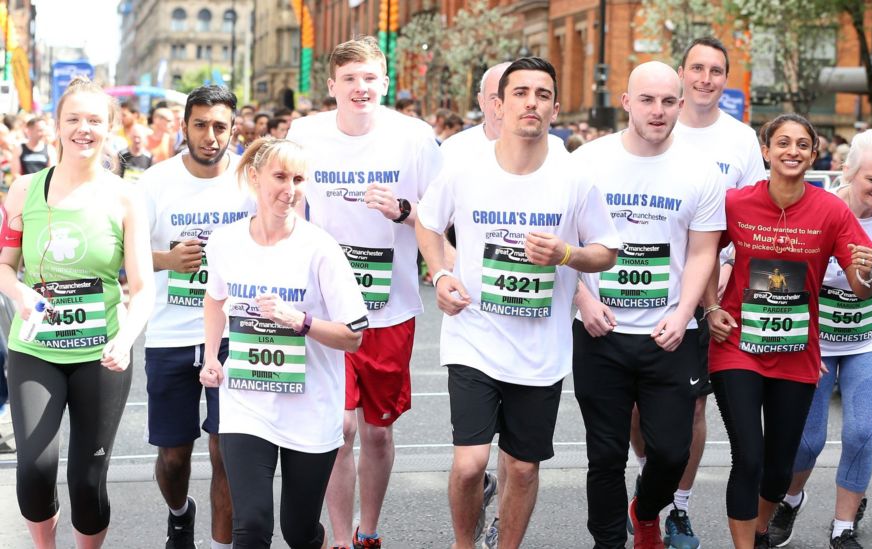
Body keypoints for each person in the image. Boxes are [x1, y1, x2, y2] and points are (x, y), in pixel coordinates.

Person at [416, 56, 619, 549]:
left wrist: (565, 254)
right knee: (469, 465)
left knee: (524, 468)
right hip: (474, 335)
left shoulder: (574, 177)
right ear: (499, 105)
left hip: (539, 349)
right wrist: (441, 273)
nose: (532, 102)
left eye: (543, 94)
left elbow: (607, 251)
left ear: (553, 109)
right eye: (521, 93)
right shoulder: (465, 168)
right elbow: (427, 221)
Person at [287, 35, 443, 549]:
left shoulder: (415, 138)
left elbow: (443, 219)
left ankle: (368, 531)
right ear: (331, 85)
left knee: (375, 432)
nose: (360, 88)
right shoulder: (304, 134)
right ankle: (337, 539)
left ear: (385, 83)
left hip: (389, 308)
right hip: (326, 307)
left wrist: (403, 210)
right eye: (349, 79)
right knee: (340, 431)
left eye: (370, 78)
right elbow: (287, 210)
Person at [619, 37, 768, 549]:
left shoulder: (742, 139)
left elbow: (758, 212)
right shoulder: (655, 123)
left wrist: (730, 266)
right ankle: (651, 486)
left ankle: (677, 508)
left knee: (695, 407)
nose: (707, 78)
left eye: (717, 70)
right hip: (650, 289)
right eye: (697, 69)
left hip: (718, 288)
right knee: (640, 410)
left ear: (725, 78)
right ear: (679, 77)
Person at [703, 113, 872, 549]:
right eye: (782, 143)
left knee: (779, 467)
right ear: (766, 151)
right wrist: (709, 307)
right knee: (749, 455)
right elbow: (703, 252)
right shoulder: (737, 203)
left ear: (814, 155)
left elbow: (860, 283)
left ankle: (760, 532)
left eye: (802, 145)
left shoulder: (831, 209)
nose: (792, 151)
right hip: (738, 345)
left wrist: (864, 273)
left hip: (797, 351)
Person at [571, 61, 724, 549]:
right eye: (647, 100)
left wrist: (683, 315)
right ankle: (610, 541)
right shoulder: (587, 161)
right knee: (605, 454)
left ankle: (646, 507)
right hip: (600, 330)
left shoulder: (700, 171)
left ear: (680, 104)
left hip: (670, 333)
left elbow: (703, 251)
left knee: (671, 451)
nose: (657, 111)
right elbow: (562, 242)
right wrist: (581, 300)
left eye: (667, 101)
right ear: (626, 102)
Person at [0, 76, 154, 548]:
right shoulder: (23, 190)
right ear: (56, 125)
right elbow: (4, 267)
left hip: (100, 354)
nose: (82, 129)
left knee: (88, 481)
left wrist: (124, 340)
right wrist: (19, 294)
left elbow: (143, 287)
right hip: (35, 347)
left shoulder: (126, 196)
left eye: (93, 120)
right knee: (35, 469)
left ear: (110, 128)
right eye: (73, 119)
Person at [199, 137, 369, 549]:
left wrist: (302, 321)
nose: (289, 189)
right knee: (252, 524)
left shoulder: (320, 249)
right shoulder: (226, 241)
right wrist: (210, 357)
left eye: (298, 178)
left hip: (310, 408)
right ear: (255, 178)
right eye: (279, 176)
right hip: (246, 402)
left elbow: (354, 335)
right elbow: (215, 298)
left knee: (298, 531)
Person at [767, 129, 872, 549]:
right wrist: (800, 337)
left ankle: (843, 526)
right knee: (808, 440)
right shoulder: (819, 211)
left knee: (860, 433)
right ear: (847, 173)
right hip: (816, 340)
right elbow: (787, 278)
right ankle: (791, 500)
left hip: (871, 336)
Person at [141, 85, 252, 549]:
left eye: (220, 127)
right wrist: (168, 261)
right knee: (173, 456)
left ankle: (221, 545)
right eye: (201, 125)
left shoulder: (251, 179)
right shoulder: (154, 182)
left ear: (234, 130)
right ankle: (179, 514)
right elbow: (124, 259)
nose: (211, 136)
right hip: (169, 332)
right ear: (184, 127)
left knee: (225, 449)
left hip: (232, 334)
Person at [440, 62, 567, 156]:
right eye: (495, 98)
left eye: (518, 96)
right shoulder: (453, 151)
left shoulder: (556, 152)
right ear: (481, 102)